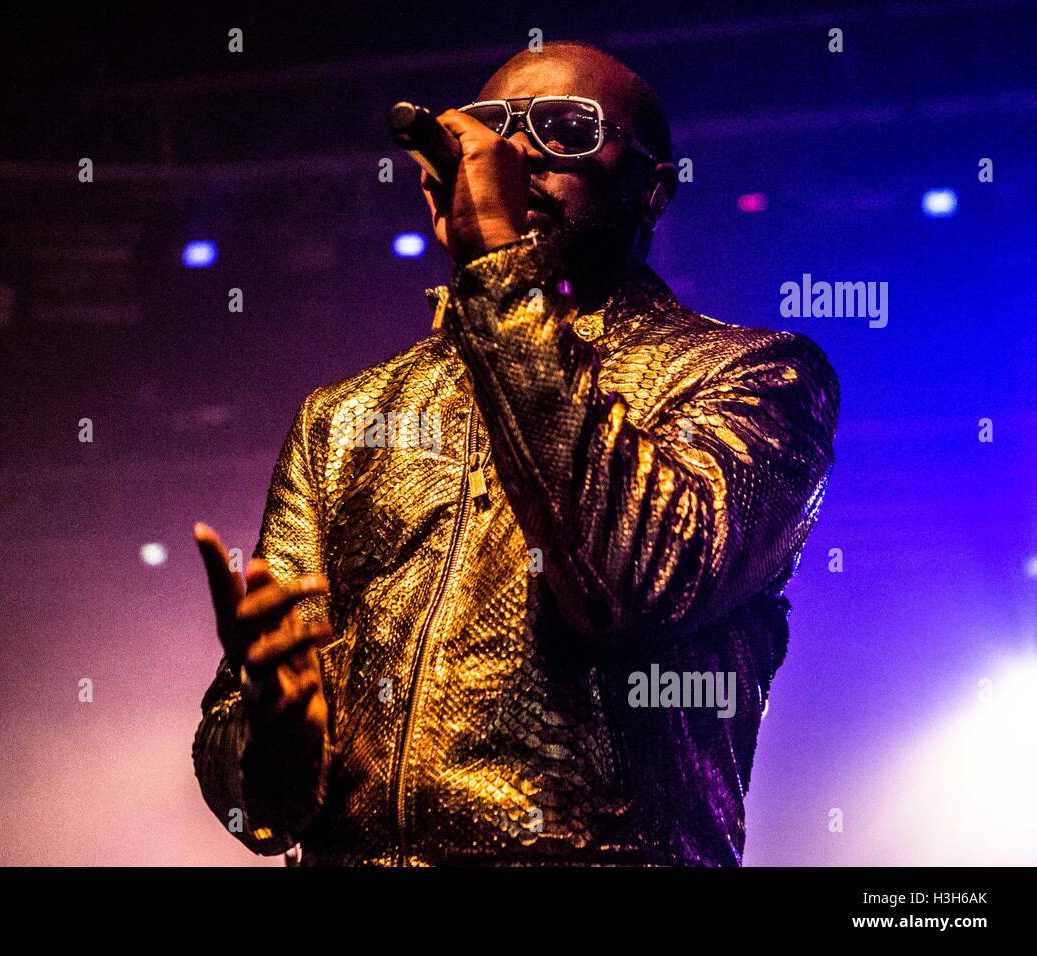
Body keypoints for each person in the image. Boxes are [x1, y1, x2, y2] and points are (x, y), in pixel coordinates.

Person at [192, 41, 839, 866]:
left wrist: (500, 264)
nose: (515, 151)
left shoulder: (754, 376)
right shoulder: (344, 417)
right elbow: (255, 805)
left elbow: (631, 580)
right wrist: (272, 749)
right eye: (491, 129)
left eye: (565, 129)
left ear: (654, 187)